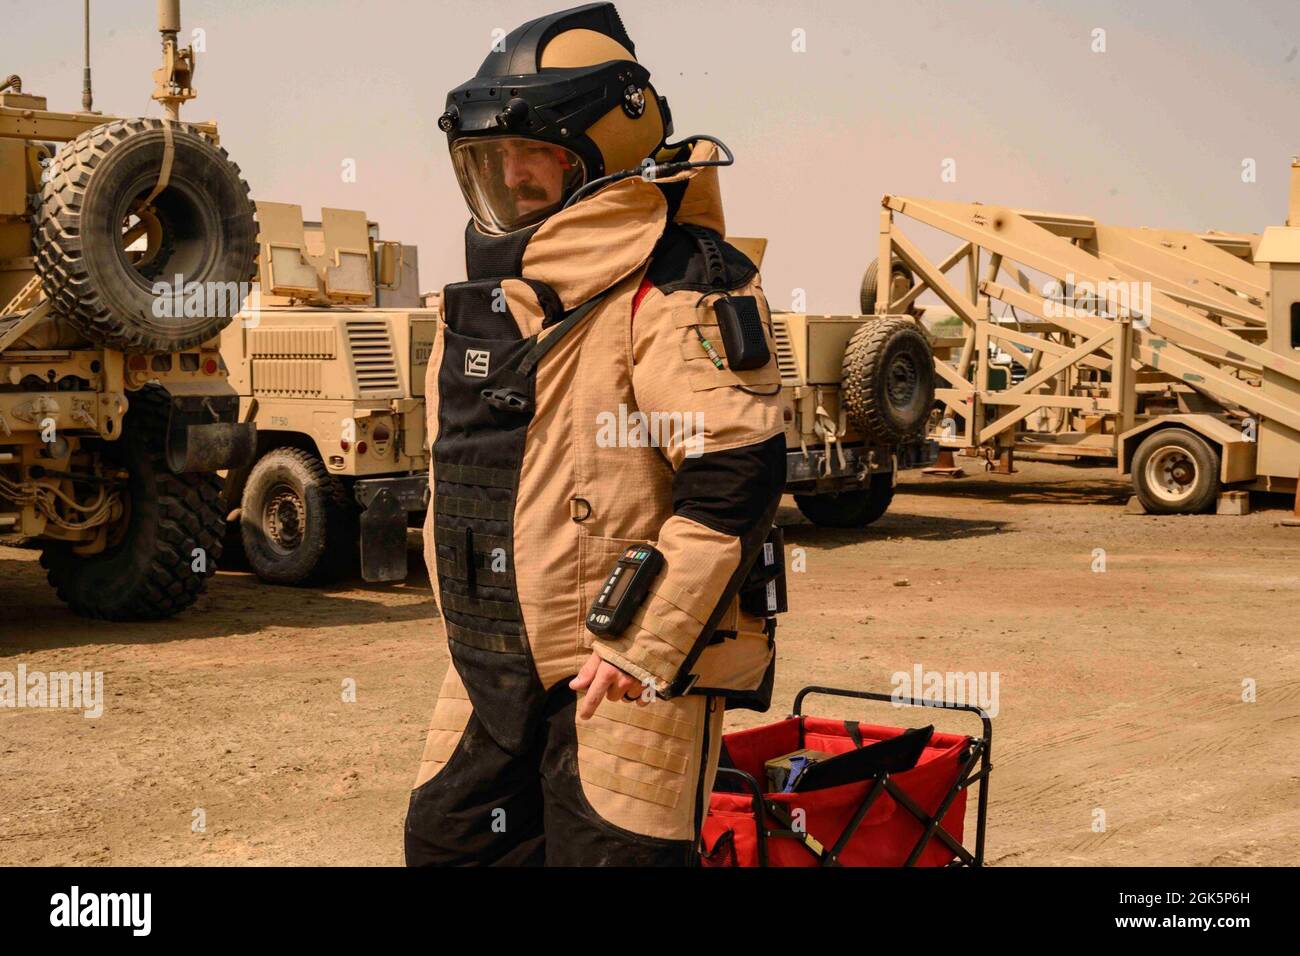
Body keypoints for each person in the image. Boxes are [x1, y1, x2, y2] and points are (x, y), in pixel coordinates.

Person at [405, 1, 787, 866]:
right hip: (493, 661)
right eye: (490, 160)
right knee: (446, 843)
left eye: (530, 154)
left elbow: (737, 478)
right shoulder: (500, 306)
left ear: (598, 151)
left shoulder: (678, 288)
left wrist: (641, 643)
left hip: (617, 673)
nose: (509, 177)